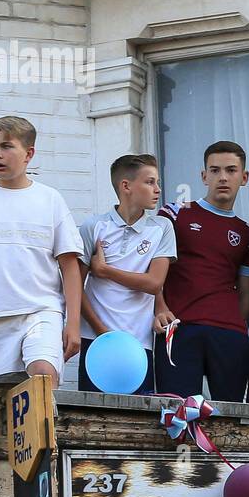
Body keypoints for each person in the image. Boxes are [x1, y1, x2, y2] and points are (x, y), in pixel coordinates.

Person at [0, 116, 84, 388]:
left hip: (43, 310)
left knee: (43, 377)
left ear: (28, 154)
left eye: (6, 146)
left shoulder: (50, 199)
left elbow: (70, 266)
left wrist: (74, 323)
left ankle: (47, 432)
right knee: (6, 399)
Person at [154, 141, 249, 402]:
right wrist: (159, 307)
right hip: (179, 329)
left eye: (231, 170)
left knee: (234, 417)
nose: (223, 177)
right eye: (215, 170)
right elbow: (152, 269)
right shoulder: (175, 213)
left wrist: (238, 327)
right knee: (178, 414)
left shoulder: (248, 233)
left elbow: (245, 292)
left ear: (244, 178)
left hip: (230, 333)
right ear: (204, 176)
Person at [77, 153, 176, 394]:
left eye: (157, 183)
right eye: (150, 182)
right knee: (93, 419)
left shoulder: (161, 227)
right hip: (95, 339)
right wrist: (101, 331)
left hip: (138, 343)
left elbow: (154, 283)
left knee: (135, 419)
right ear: (126, 186)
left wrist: (105, 270)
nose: (157, 190)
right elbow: (74, 287)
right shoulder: (94, 226)